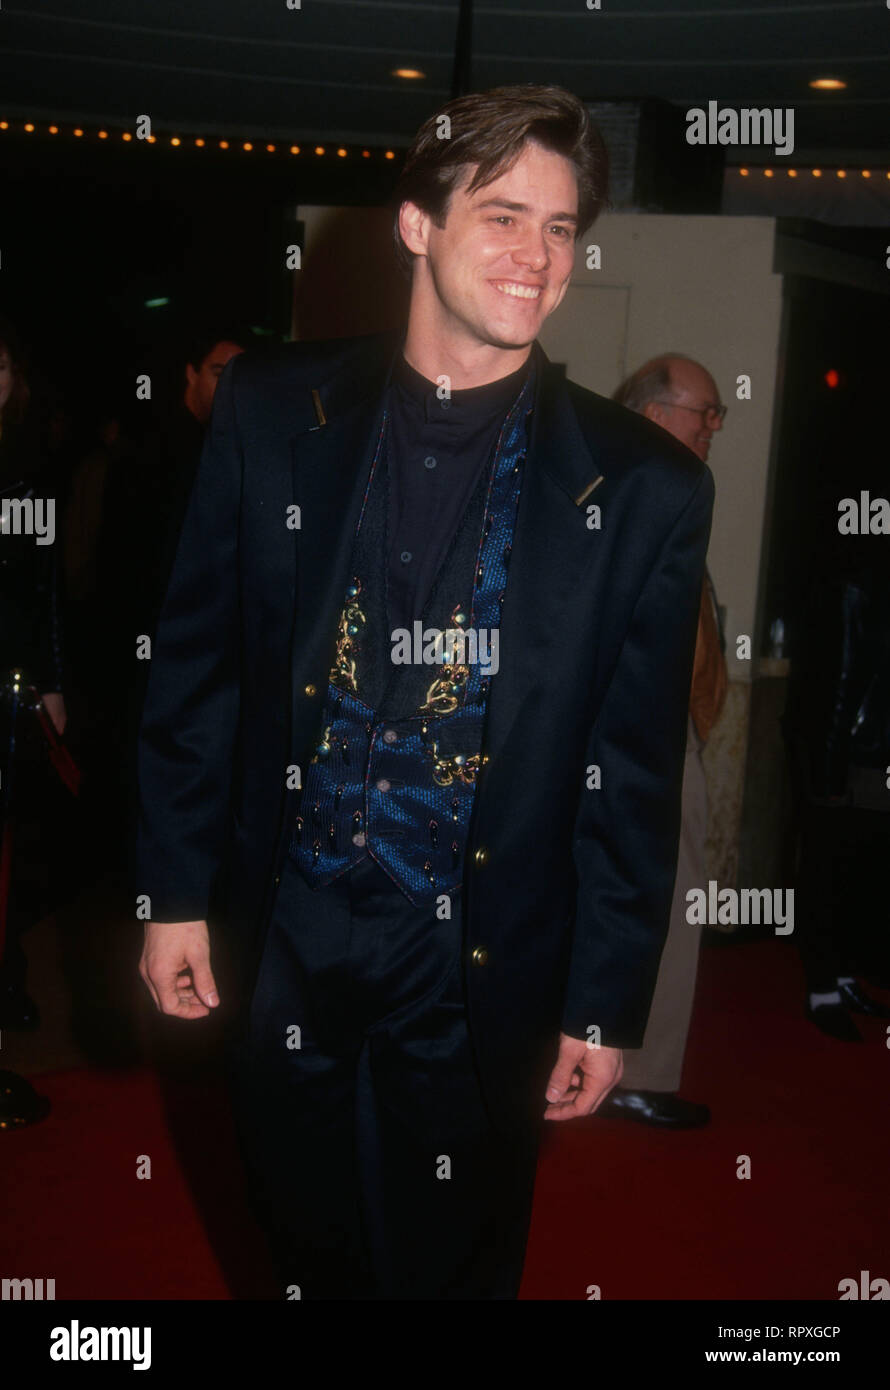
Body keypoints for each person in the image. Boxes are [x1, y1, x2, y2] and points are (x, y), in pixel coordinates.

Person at [136, 85, 714, 1300]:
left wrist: (605, 1000)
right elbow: (197, 674)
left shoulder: (643, 488)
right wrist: (174, 889)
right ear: (413, 224)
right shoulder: (267, 409)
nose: (535, 256)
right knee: (296, 1255)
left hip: (475, 957)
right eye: (502, 216)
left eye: (559, 228)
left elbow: (632, 768)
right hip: (282, 930)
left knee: (452, 1271)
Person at [598, 354, 728, 1128]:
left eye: (717, 415)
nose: (712, 427)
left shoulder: (653, 486)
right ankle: (641, 1075)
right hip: (640, 740)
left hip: (656, 733)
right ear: (654, 413)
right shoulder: (636, 491)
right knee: (672, 901)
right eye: (701, 412)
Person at [785, 542, 890, 1039]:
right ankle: (822, 989)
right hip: (848, 754)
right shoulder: (855, 583)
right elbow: (840, 681)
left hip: (874, 751)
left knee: (858, 872)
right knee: (827, 870)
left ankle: (843, 976)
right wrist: (828, 775)